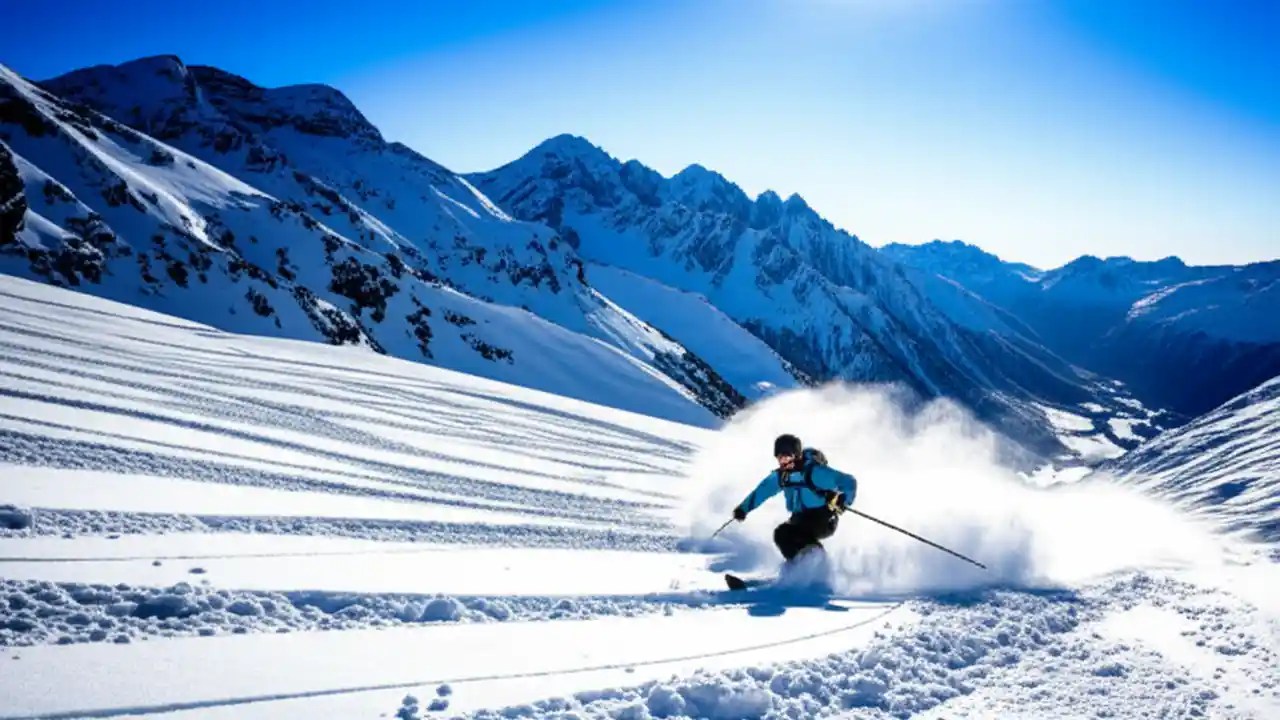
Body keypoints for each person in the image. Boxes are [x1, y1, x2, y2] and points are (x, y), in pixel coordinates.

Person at [731, 434, 857, 562]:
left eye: (787, 456)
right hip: (799, 518)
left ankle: (819, 562)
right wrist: (743, 509)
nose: (783, 461)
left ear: (797, 455)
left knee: (797, 533)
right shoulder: (782, 477)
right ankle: (799, 567)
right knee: (781, 534)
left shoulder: (814, 473)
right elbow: (762, 491)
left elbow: (848, 482)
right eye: (780, 458)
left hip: (823, 518)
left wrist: (844, 499)